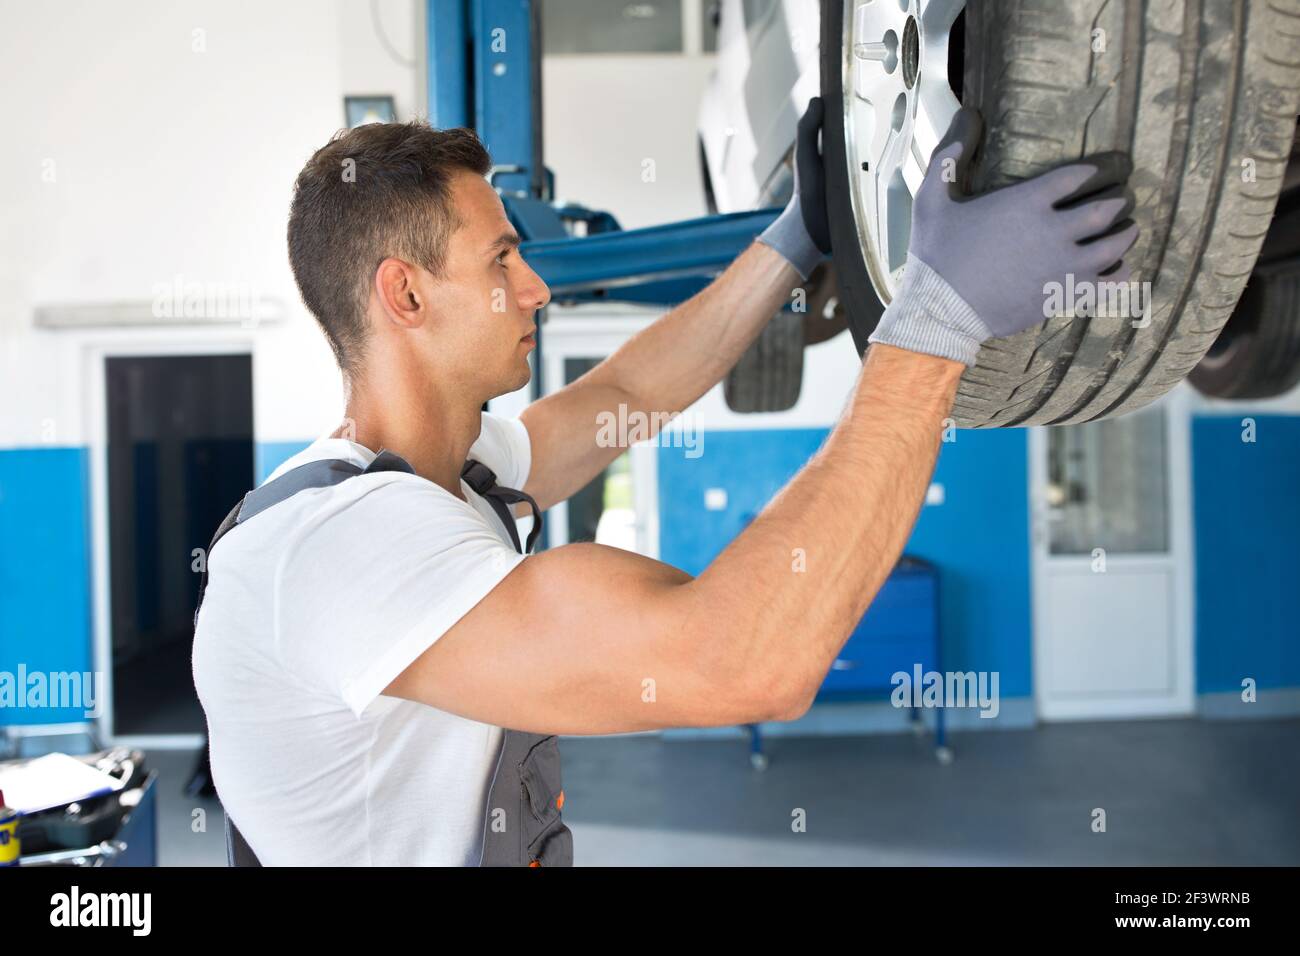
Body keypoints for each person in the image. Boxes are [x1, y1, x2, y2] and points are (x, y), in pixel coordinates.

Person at [192, 100, 1138, 865]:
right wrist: (937, 322)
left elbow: (630, 394)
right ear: (404, 295)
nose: (537, 289)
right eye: (501, 259)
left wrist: (792, 241)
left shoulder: (453, 474)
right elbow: (742, 660)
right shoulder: (336, 547)